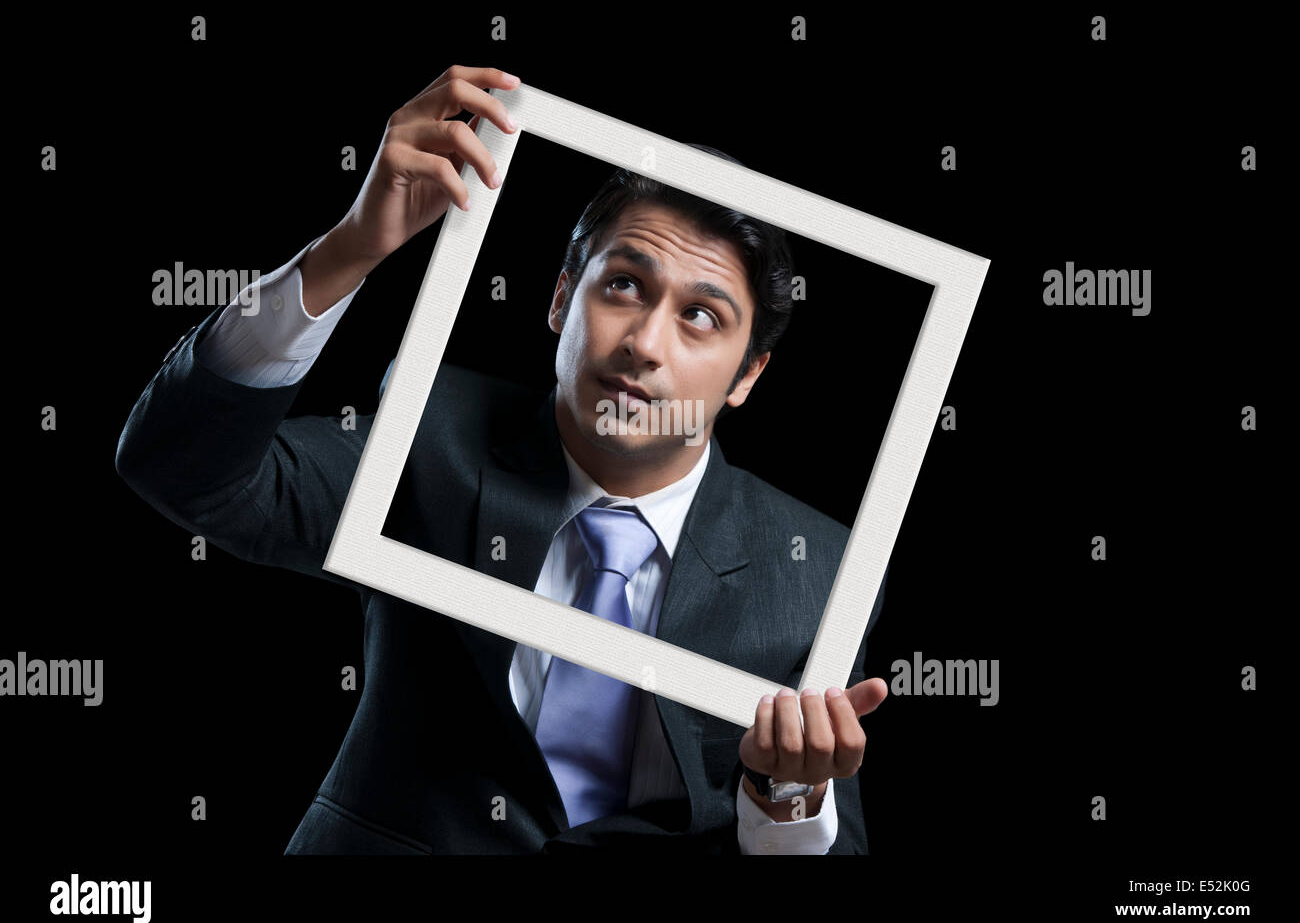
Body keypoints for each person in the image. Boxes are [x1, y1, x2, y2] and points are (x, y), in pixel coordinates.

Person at [115, 65, 889, 854]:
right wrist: (352, 247)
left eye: (700, 315)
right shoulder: (436, 438)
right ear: (561, 300)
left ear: (748, 375)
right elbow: (189, 474)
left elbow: (824, 843)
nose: (646, 345)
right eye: (623, 284)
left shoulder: (819, 571)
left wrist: (784, 797)